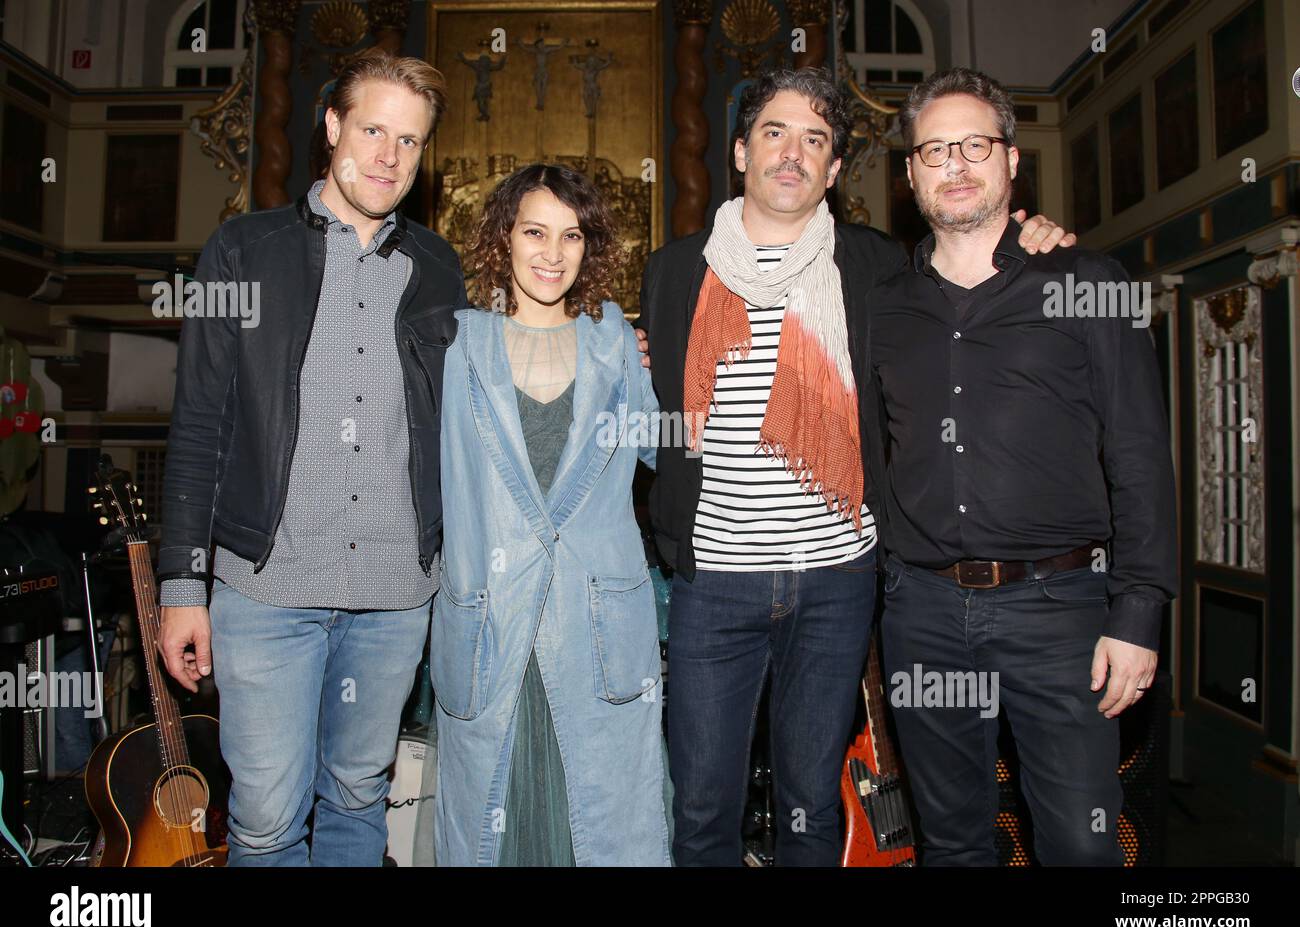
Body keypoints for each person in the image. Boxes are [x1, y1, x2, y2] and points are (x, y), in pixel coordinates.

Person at [638, 65, 1072, 866]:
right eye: (774, 132)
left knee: (812, 802)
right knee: (701, 806)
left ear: (836, 169)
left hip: (837, 583)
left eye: (815, 139)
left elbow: (971, 264)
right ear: (739, 152)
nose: (792, 154)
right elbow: (650, 398)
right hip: (713, 584)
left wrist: (1031, 235)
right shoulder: (674, 273)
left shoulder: (877, 269)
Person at [155, 52, 466, 866]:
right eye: (372, 130)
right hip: (269, 591)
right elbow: (196, 428)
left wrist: (611, 351)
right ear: (332, 127)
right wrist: (182, 589)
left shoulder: (437, 267)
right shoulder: (241, 252)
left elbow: (473, 406)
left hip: (397, 596)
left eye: (409, 140)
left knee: (361, 798)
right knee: (262, 822)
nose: (388, 157)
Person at [867, 67, 1176, 865]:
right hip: (922, 614)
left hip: (1062, 611)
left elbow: (1140, 454)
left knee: (1080, 844)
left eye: (976, 144)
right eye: (935, 150)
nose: (956, 164)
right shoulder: (883, 310)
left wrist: (1138, 614)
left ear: (1011, 161)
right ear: (910, 175)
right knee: (953, 844)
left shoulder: (1089, 285)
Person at [425, 164, 670, 866]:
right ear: (503, 237)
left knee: (603, 825)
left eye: (572, 236)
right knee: (491, 831)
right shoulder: (457, 343)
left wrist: (678, 343)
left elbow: (667, 447)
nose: (553, 253)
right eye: (535, 231)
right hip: (492, 625)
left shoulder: (614, 341)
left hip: (592, 627)